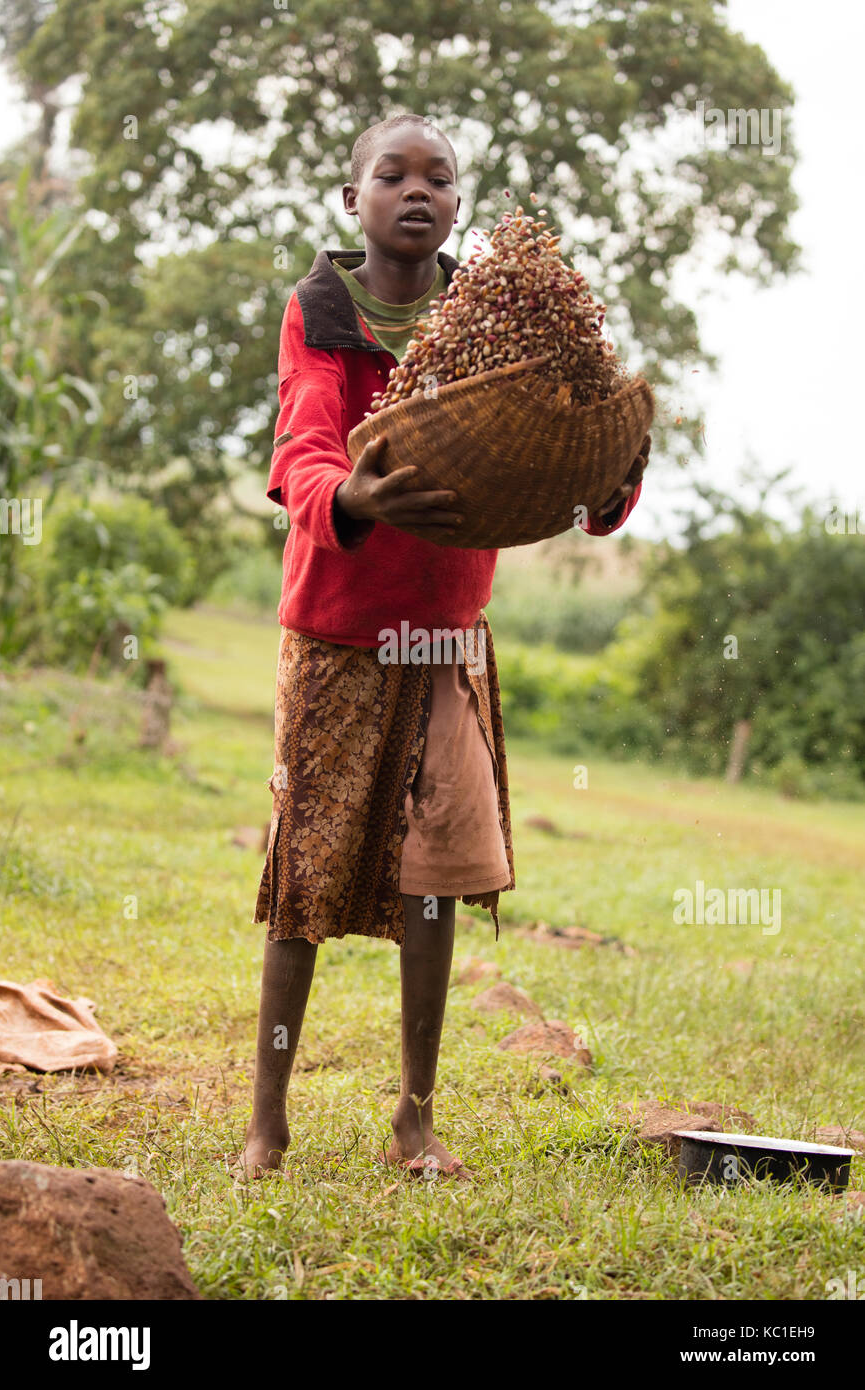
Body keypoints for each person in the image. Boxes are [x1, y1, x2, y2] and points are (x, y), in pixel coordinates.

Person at [240, 112, 646, 1181]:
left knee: (433, 881)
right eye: (391, 174)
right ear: (351, 200)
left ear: (458, 204)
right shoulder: (319, 314)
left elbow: (557, 451)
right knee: (305, 883)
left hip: (447, 638)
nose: (415, 191)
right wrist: (351, 495)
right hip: (334, 633)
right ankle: (265, 1122)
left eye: (438, 178)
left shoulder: (495, 317)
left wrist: (609, 484)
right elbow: (303, 449)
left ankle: (413, 1119)